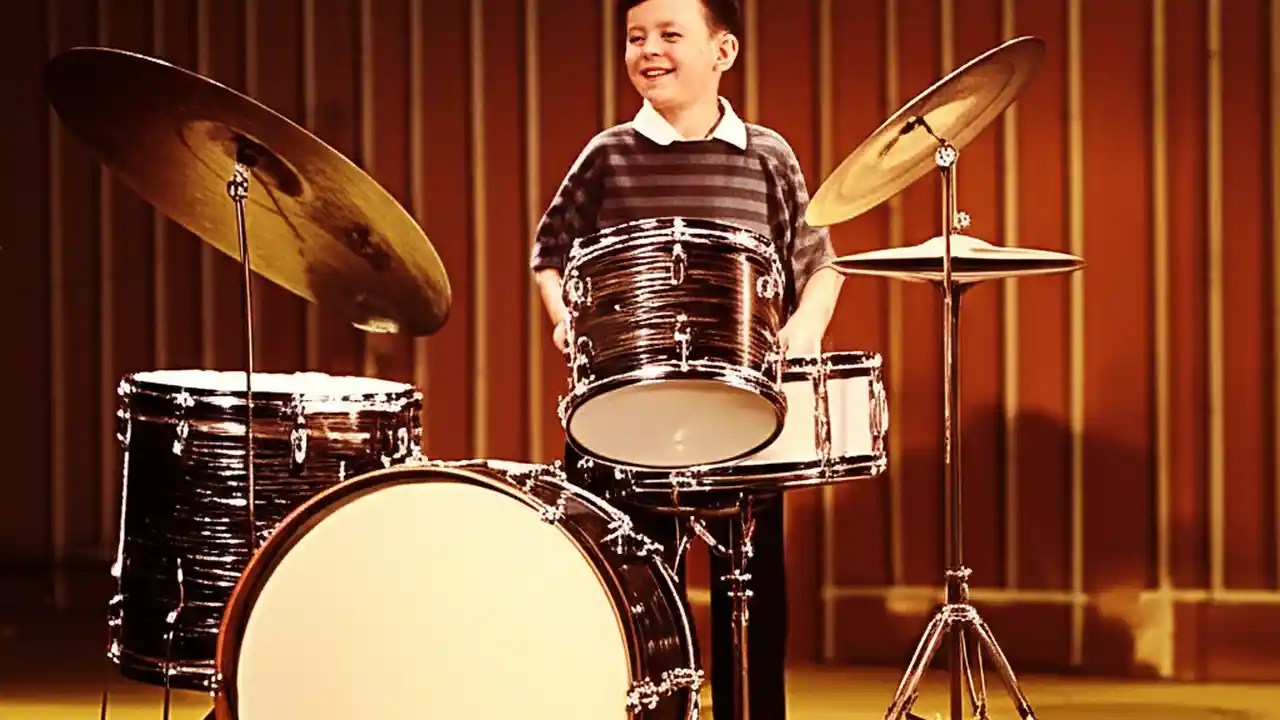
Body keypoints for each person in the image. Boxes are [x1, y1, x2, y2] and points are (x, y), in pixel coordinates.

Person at [528, 0, 843, 716]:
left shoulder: (768, 154)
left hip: (741, 405)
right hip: (627, 409)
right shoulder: (608, 153)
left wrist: (806, 325)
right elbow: (549, 256)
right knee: (632, 591)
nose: (650, 50)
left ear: (722, 51)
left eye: (672, 34)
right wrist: (567, 320)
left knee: (755, 594)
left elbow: (821, 264)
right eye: (637, 37)